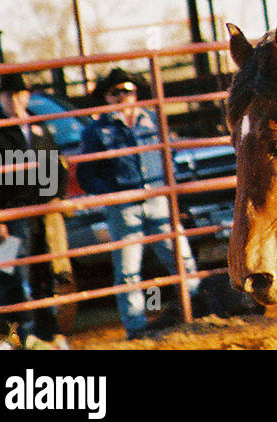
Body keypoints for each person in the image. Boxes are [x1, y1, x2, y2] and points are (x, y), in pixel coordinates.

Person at [77, 67, 200, 339]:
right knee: (128, 270)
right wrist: (111, 194)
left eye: (127, 90)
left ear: (135, 93)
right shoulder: (96, 132)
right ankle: (136, 327)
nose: (122, 96)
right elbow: (86, 174)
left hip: (159, 197)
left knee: (181, 258)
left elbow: (170, 158)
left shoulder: (153, 120)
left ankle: (197, 310)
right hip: (125, 206)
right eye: (115, 92)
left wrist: (173, 192)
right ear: (107, 97)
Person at [0, 71, 65, 348]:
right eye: (8, 95)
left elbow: (57, 163)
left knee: (44, 273)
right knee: (7, 278)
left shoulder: (38, 125)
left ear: (27, 95)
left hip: (40, 213)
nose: (14, 100)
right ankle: (10, 338)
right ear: (0, 98)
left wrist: (55, 197)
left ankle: (47, 331)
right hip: (8, 214)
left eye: (19, 94)